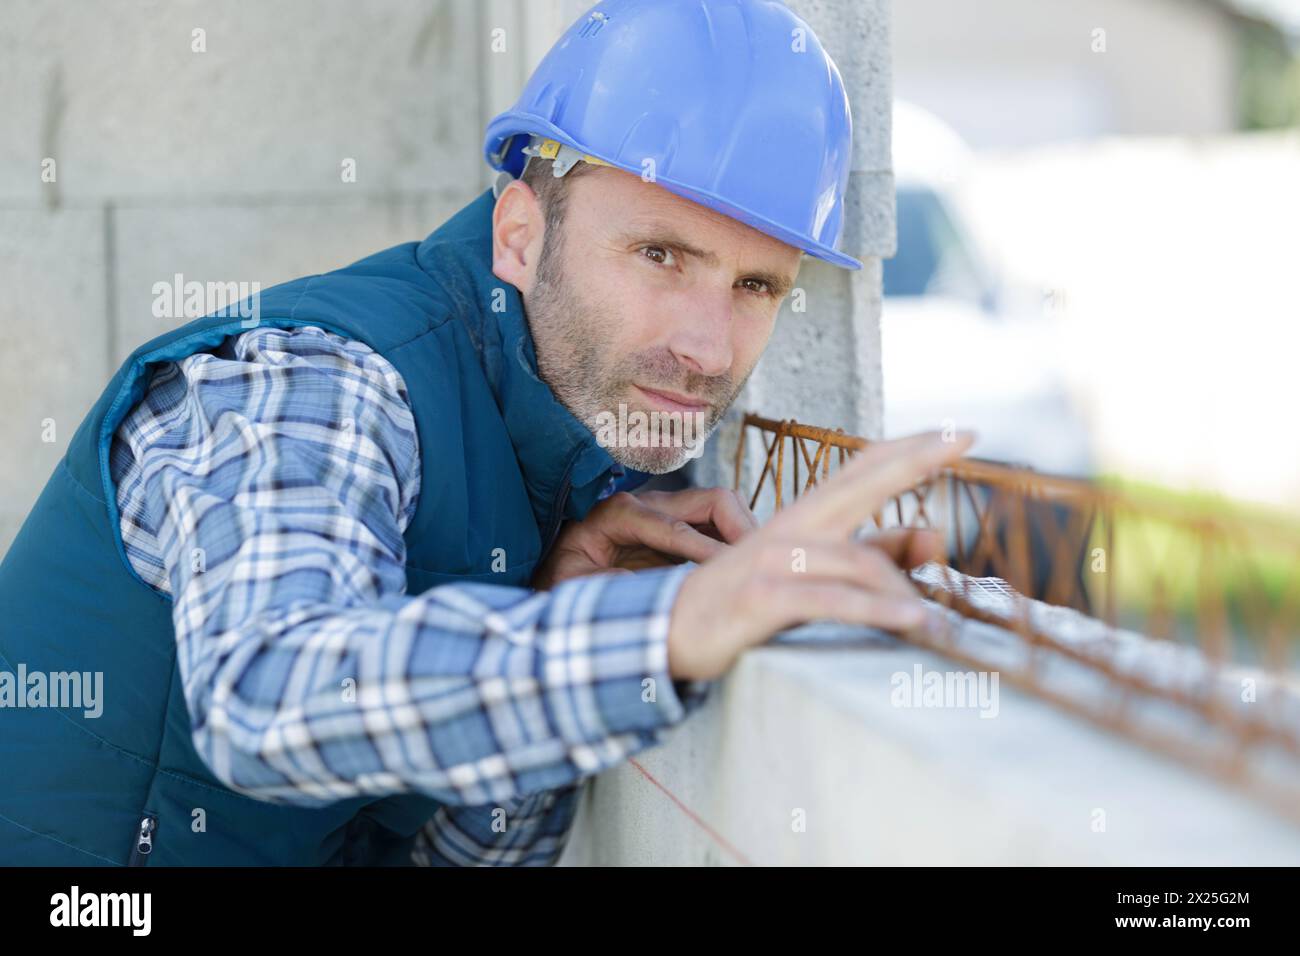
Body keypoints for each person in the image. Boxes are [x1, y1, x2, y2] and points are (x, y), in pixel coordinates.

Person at [0, 0, 972, 865]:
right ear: (518, 233)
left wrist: (556, 608)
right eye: (658, 253)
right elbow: (271, 693)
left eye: (754, 285)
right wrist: (672, 627)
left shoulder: (566, 465)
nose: (710, 349)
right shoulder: (314, 384)